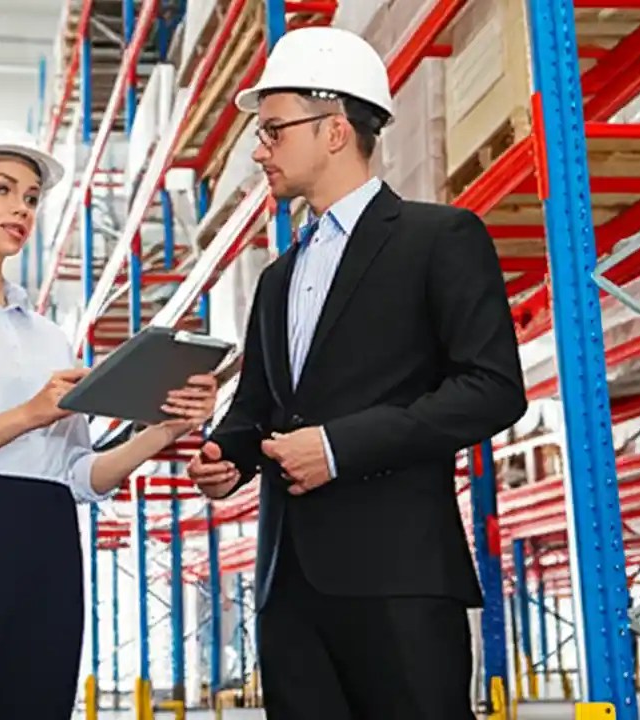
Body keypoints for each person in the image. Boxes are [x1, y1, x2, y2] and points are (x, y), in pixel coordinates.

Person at [185, 26, 529, 720]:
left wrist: (340, 448)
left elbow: (493, 389)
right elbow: (261, 407)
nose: (258, 150)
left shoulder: (440, 238)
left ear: (335, 129)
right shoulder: (278, 279)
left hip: (397, 581)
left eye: (273, 131)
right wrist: (230, 455)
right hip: (288, 589)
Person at [0, 122, 220, 718]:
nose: (22, 209)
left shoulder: (51, 335)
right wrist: (28, 414)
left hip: (49, 548)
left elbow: (78, 476)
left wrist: (162, 429)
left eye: (31, 197)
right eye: (3, 189)